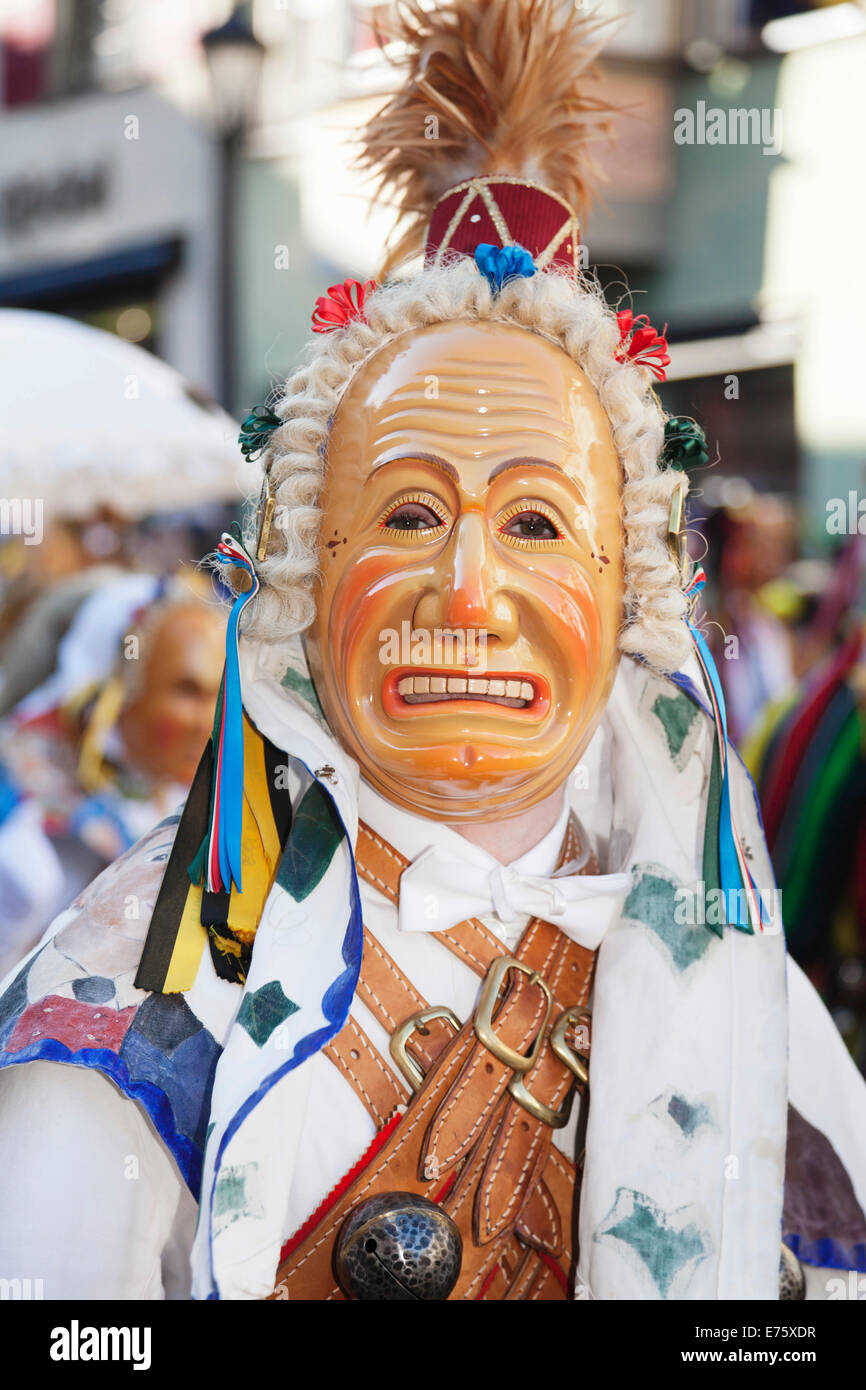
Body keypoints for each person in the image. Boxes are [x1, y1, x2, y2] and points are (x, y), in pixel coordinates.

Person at [0, 0, 863, 1302]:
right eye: (407, 513)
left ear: (630, 583)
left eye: (534, 521)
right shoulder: (140, 1003)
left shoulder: (743, 1004)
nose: (469, 594)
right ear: (305, 567)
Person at [0, 573, 225, 979]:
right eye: (187, 690)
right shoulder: (28, 838)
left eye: (221, 692)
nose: (211, 721)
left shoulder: (187, 801)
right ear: (114, 694)